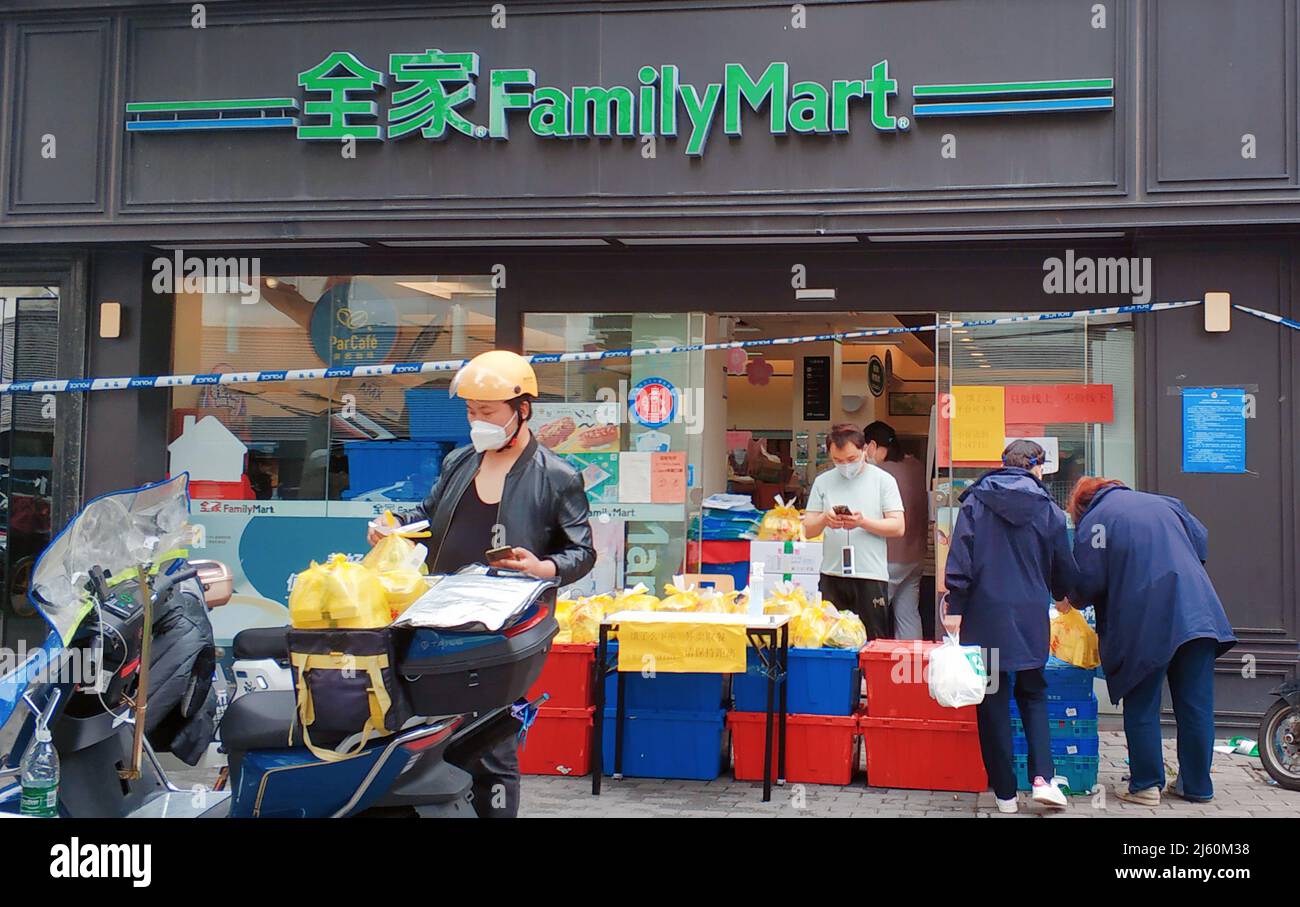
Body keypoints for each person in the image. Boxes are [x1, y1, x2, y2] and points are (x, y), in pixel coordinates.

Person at [368, 349, 595, 818]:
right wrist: (393, 524)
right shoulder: (460, 462)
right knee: (433, 737)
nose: (478, 422)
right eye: (471, 412)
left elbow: (582, 552)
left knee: (492, 744)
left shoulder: (557, 476)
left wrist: (542, 568)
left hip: (503, 632)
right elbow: (429, 516)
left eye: (488, 412)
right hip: (438, 623)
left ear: (523, 409)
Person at [1066, 478, 1236, 806]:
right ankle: (1197, 785)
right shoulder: (1167, 503)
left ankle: (1145, 784)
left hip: (1144, 621)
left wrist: (1071, 597)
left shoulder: (1096, 521)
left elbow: (1086, 585)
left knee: (1142, 702)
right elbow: (1200, 543)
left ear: (1082, 506)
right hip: (1198, 615)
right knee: (1195, 705)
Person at [942, 440, 1076, 813]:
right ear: (1038, 467)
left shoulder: (974, 503)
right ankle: (1044, 779)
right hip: (1030, 616)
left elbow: (960, 563)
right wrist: (1063, 594)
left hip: (985, 618)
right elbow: (1062, 565)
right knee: (1033, 694)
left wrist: (956, 606)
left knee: (993, 701)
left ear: (1003, 464)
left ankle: (1004, 794)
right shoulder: (1047, 509)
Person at [801, 422, 904, 640]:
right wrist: (824, 519)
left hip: (870, 575)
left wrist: (863, 522)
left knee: (872, 642)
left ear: (865, 449)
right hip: (832, 574)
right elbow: (808, 529)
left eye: (851, 459)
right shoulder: (823, 482)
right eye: (837, 461)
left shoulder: (883, 480)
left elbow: (898, 526)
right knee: (831, 641)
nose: (845, 465)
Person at [877, 428, 929, 640]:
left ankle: (868, 663)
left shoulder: (880, 473)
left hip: (891, 556)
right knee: (908, 615)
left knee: (873, 612)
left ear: (873, 446)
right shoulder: (916, 466)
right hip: (916, 556)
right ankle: (912, 664)